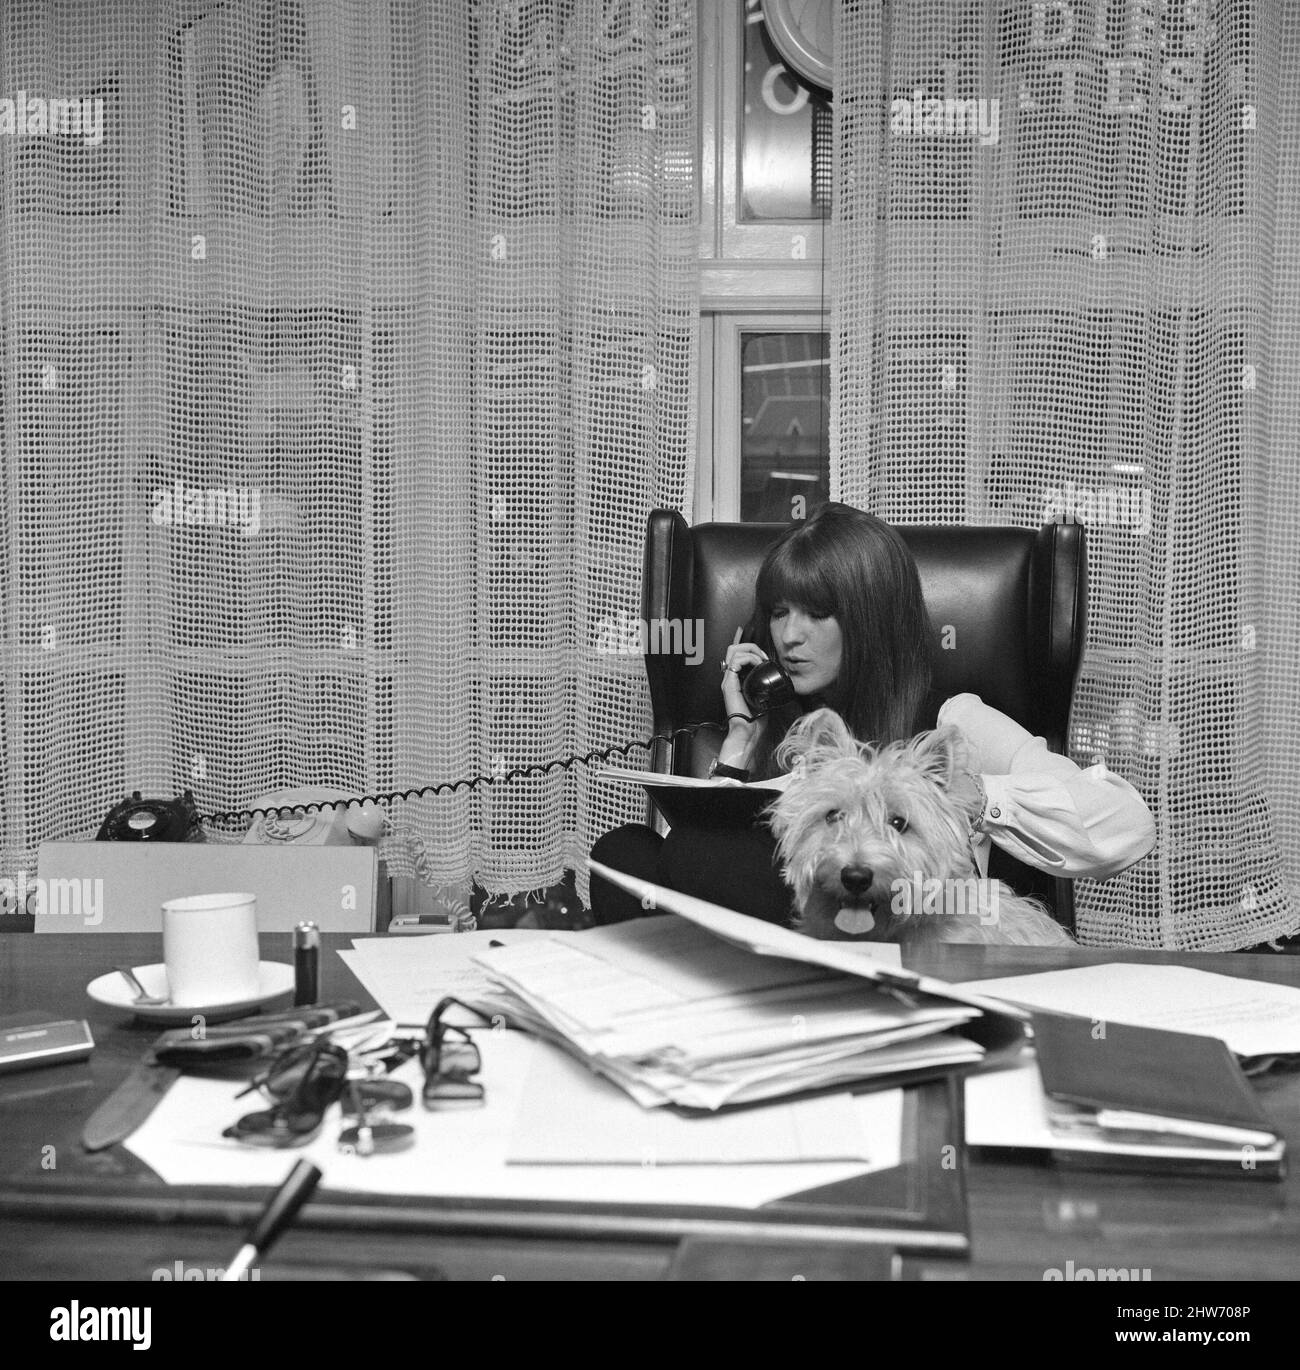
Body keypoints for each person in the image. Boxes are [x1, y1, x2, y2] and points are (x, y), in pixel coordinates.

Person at [589, 502, 1157, 926]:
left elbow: (1128, 825)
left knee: (691, 854)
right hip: (781, 938)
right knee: (624, 854)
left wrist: (977, 798)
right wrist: (741, 736)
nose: (788, 636)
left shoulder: (953, 720)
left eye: (816, 613)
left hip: (916, 927)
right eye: (779, 612)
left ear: (870, 619)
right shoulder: (789, 721)